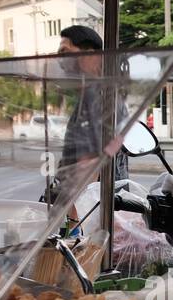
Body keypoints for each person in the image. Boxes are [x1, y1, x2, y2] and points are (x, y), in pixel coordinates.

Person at [55, 25, 128, 197]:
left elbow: (87, 173)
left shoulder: (96, 99)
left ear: (91, 56)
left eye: (65, 53)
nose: (60, 61)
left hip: (91, 213)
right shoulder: (99, 95)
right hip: (98, 210)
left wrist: (72, 222)